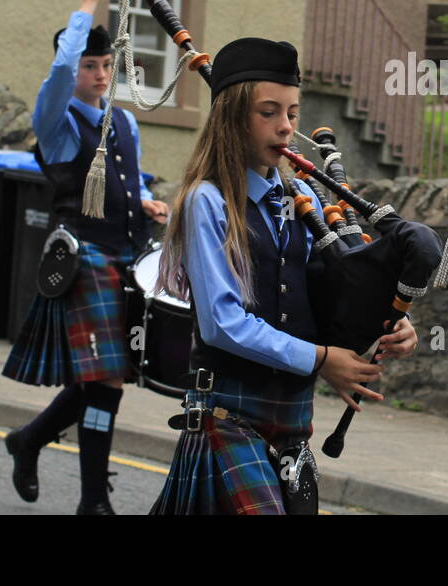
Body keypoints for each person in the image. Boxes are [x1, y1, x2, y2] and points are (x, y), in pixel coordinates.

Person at [149, 37, 417, 515]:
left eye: (292, 113)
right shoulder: (206, 202)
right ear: (232, 118)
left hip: (293, 416)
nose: (286, 127)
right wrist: (320, 359)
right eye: (268, 113)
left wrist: (388, 322)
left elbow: (333, 296)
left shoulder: (303, 203)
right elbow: (221, 323)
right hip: (227, 412)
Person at [1, 0, 169, 515]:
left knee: (107, 376)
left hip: (130, 254)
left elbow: (130, 178)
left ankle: (29, 441)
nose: (99, 74)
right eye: (89, 66)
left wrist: (144, 200)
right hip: (85, 257)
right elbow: (57, 71)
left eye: (104, 65)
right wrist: (88, 4)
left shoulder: (124, 124)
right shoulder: (57, 122)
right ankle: (93, 501)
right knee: (105, 382)